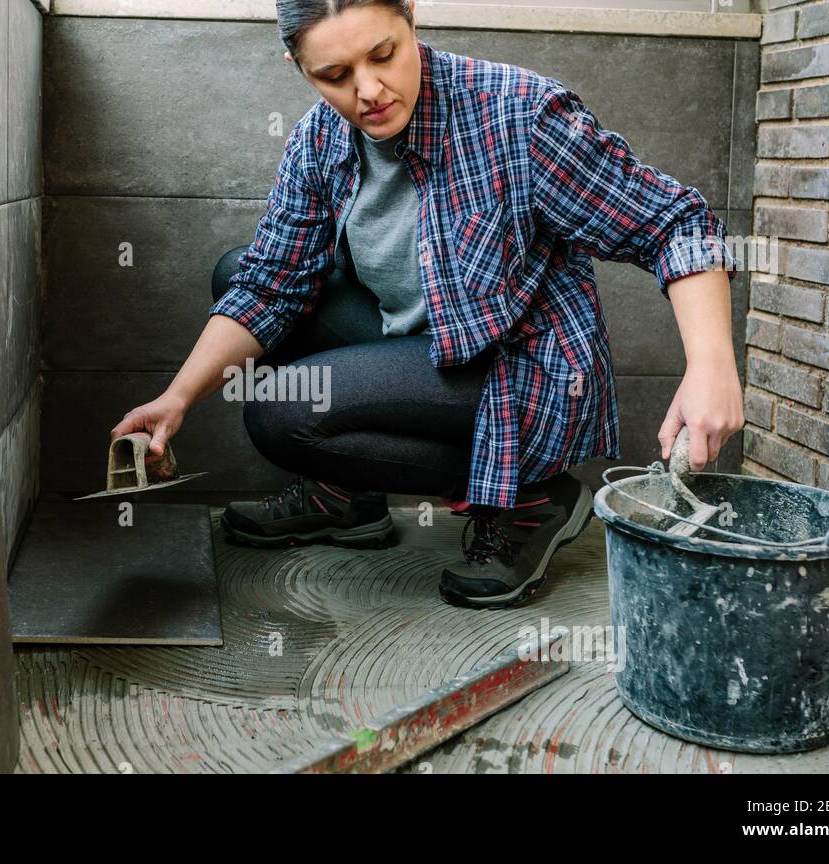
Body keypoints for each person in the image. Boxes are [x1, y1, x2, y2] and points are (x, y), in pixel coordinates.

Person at [111, 0, 744, 609]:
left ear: (411, 14)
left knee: (282, 413)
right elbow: (270, 285)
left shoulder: (517, 115)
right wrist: (177, 399)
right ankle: (347, 496)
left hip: (517, 366)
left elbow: (674, 224)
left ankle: (531, 497)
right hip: (417, 340)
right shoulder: (319, 140)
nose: (368, 91)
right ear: (298, 68)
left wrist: (711, 365)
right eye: (334, 75)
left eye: (383, 54)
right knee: (238, 273)